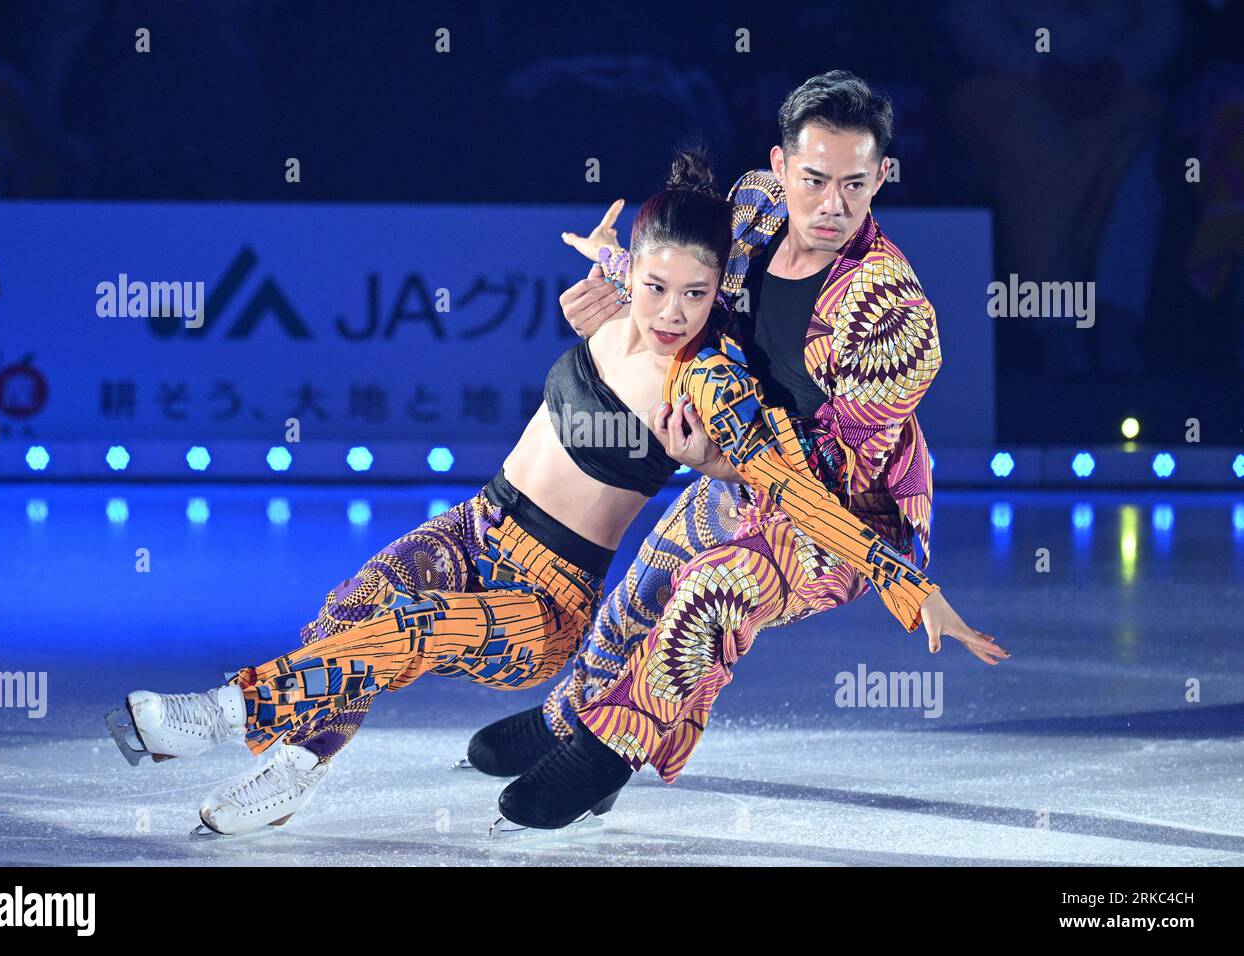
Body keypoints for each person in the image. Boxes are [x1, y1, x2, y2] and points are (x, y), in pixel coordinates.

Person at [106, 148, 983, 837]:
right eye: (655, 286)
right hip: (477, 524)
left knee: (404, 634)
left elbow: (794, 488)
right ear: (629, 269)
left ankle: (220, 711)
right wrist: (605, 267)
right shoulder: (608, 306)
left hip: (545, 599)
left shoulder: (712, 381)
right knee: (354, 608)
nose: (672, 311)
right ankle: (298, 768)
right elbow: (616, 264)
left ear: (722, 293)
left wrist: (905, 577)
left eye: (696, 294)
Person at [473, 70, 1001, 799]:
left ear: (881, 176)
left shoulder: (894, 316)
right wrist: (621, 286)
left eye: (855, 184)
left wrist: (909, 586)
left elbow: (825, 487)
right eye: (814, 179)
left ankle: (606, 751)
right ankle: (571, 713)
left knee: (713, 590)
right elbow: (691, 286)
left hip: (843, 518)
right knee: (637, 597)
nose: (832, 205)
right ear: (781, 167)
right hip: (737, 467)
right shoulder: (752, 205)